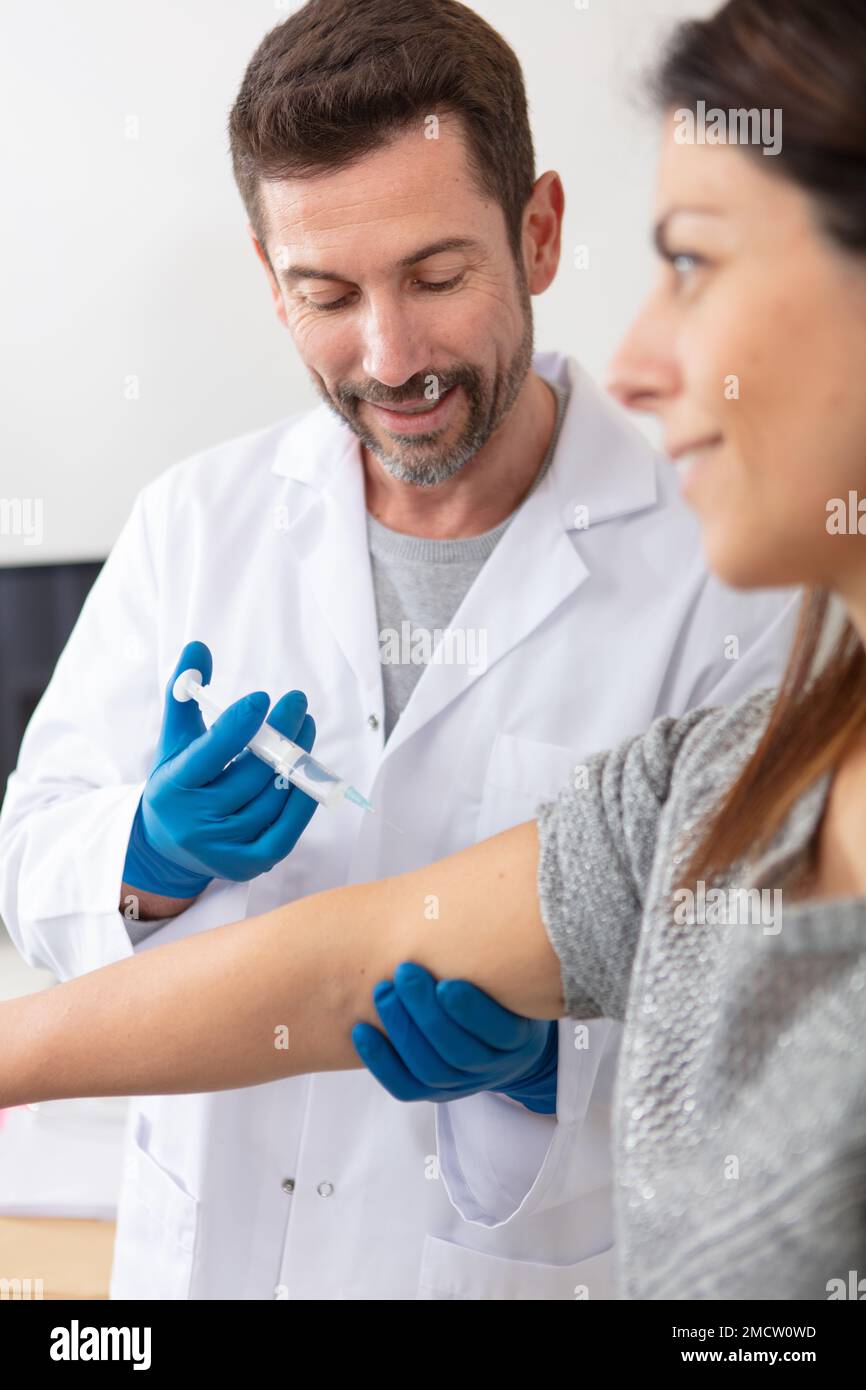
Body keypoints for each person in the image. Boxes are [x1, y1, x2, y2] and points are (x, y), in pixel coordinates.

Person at [0, 0, 809, 1303]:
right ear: (270, 282)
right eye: (327, 293)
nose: (390, 356)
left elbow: (776, 1029)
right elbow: (33, 845)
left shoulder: (725, 568)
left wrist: (553, 1061)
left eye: (436, 278)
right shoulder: (197, 522)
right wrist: (140, 859)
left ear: (537, 231)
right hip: (203, 1255)